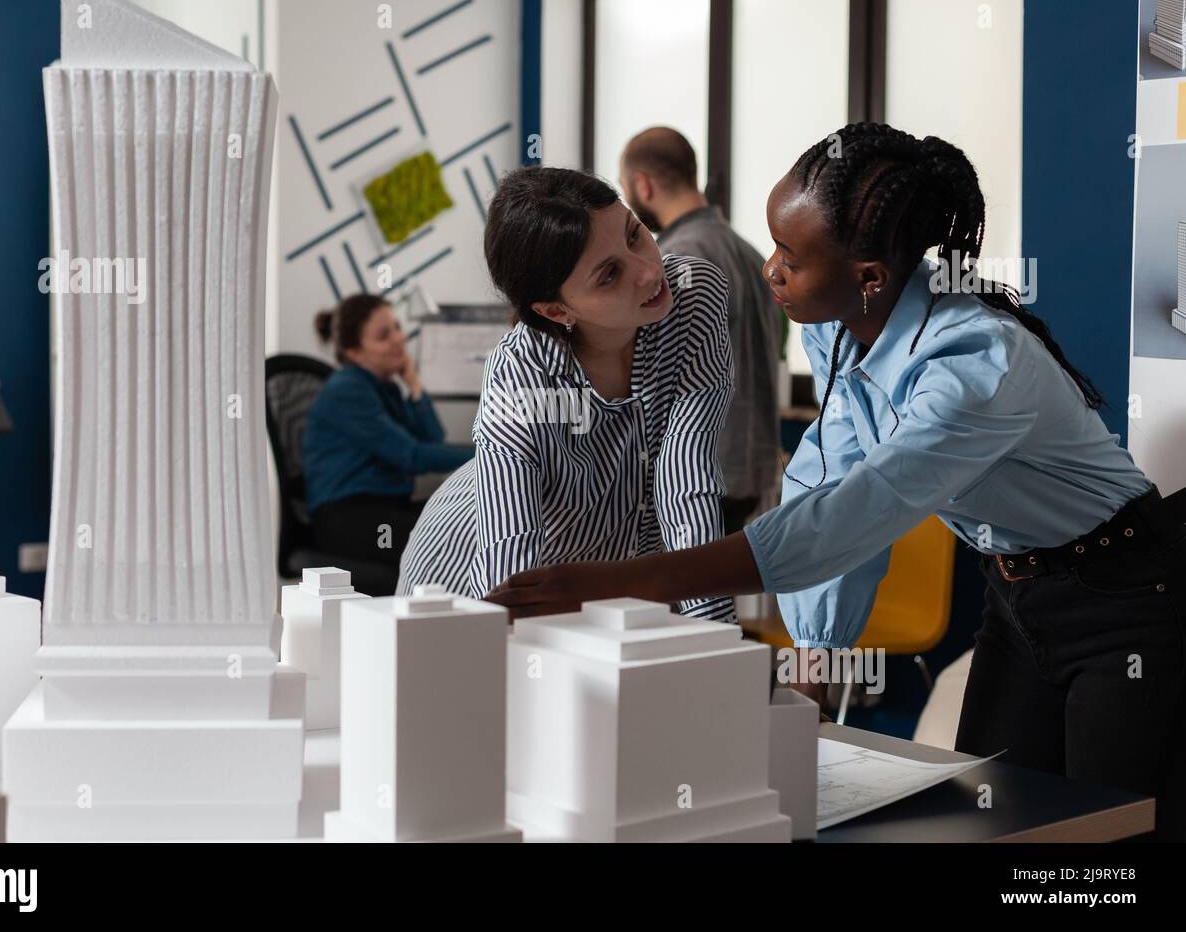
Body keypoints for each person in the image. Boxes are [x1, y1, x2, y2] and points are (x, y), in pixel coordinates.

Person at [488, 123, 1186, 840]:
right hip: (1017, 594)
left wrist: (614, 583)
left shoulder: (974, 370)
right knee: (996, 821)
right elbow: (829, 470)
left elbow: (856, 513)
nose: (769, 271)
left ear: (870, 276)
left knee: (1107, 840)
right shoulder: (835, 322)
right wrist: (814, 665)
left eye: (790, 256)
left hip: (1126, 596)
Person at [397, 166, 736, 620]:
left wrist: (714, 637)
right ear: (557, 309)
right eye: (609, 275)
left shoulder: (694, 298)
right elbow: (510, 566)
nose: (648, 271)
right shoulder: (520, 373)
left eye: (635, 235)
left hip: (611, 581)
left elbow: (686, 478)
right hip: (464, 571)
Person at [621, 126, 783, 533]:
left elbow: (656, 376)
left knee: (663, 596)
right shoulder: (750, 254)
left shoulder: (675, 260)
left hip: (697, 475)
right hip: (749, 471)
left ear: (643, 184)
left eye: (625, 188)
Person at [302, 294, 472, 592]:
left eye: (396, 327)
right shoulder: (348, 390)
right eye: (383, 335)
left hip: (385, 509)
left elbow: (433, 439)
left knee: (461, 520)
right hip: (348, 518)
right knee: (444, 540)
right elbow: (413, 457)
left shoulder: (386, 386)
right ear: (354, 352)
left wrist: (414, 385)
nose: (398, 338)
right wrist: (488, 455)